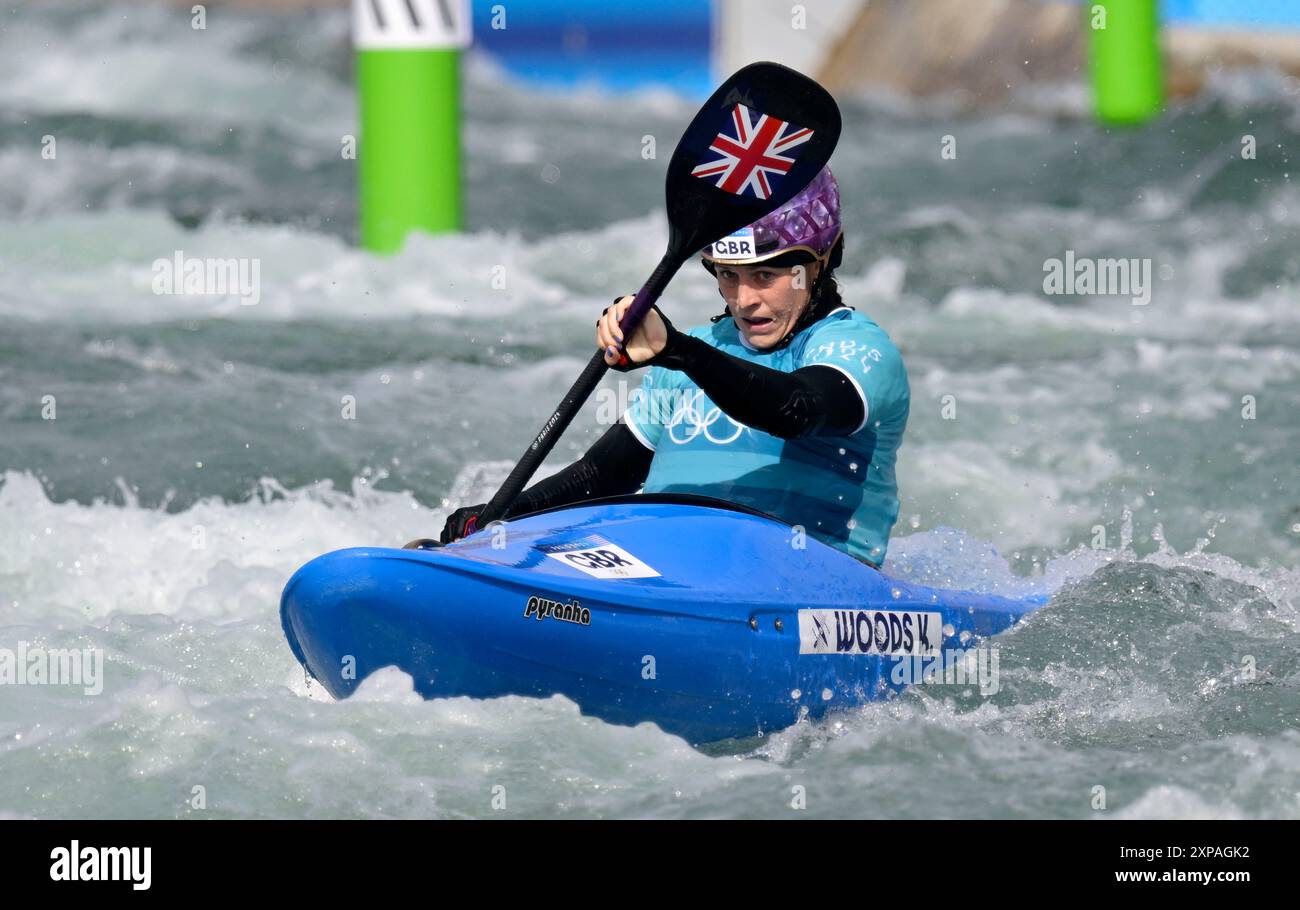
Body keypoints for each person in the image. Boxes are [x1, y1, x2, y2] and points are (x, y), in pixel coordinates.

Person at [441, 167, 910, 568]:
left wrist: (680, 351)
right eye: (728, 275)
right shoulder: (706, 346)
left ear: (822, 262)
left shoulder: (857, 348)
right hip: (666, 564)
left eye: (765, 276)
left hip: (808, 580)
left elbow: (796, 409)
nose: (744, 300)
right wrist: (503, 518)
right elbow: (603, 475)